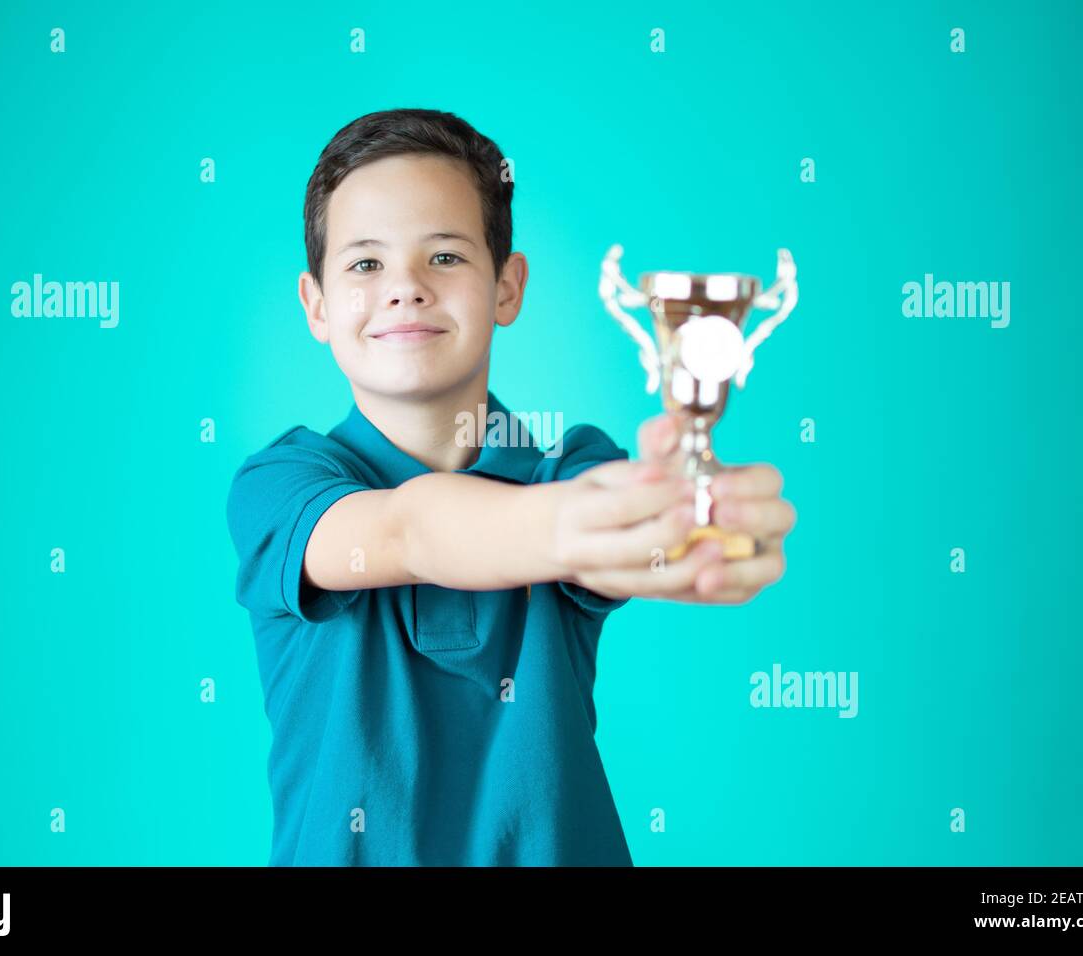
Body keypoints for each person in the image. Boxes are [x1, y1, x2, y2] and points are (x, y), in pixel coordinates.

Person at [225, 107, 796, 865]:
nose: (405, 289)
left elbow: (616, 540)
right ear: (317, 306)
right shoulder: (279, 486)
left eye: (446, 257)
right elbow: (405, 531)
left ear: (507, 286)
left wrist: (682, 522)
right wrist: (564, 527)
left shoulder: (575, 469)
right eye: (366, 264)